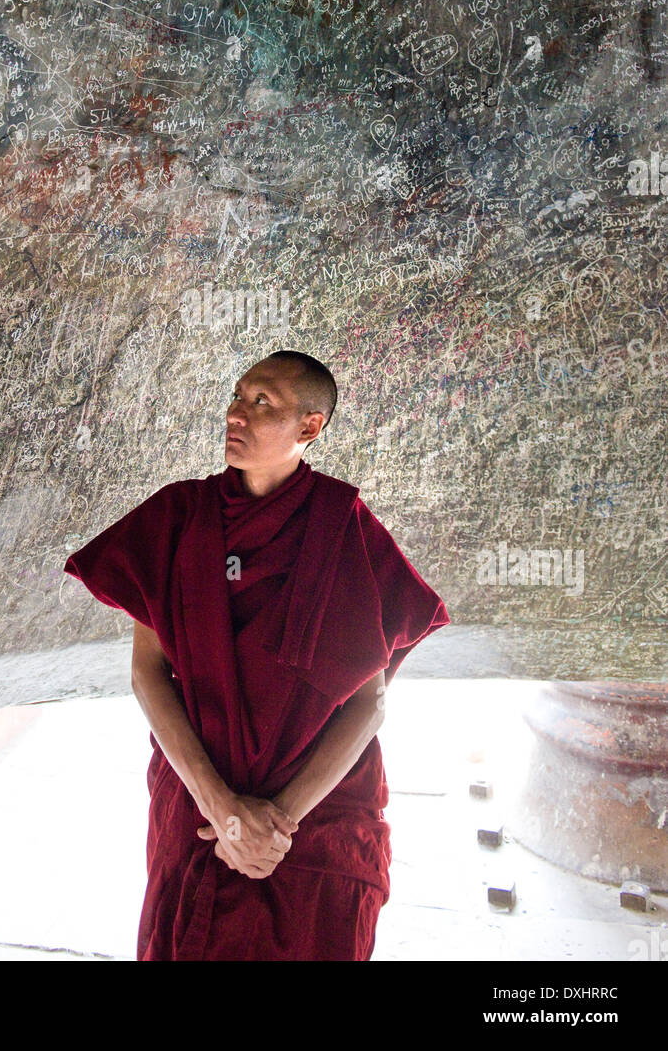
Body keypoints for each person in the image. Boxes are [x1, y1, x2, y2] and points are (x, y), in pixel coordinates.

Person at [63, 349, 449, 960]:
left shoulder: (344, 528)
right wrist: (224, 812)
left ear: (310, 427)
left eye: (261, 402)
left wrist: (276, 825)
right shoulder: (178, 517)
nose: (235, 413)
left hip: (317, 813)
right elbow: (147, 673)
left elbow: (369, 704)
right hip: (199, 803)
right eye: (237, 396)